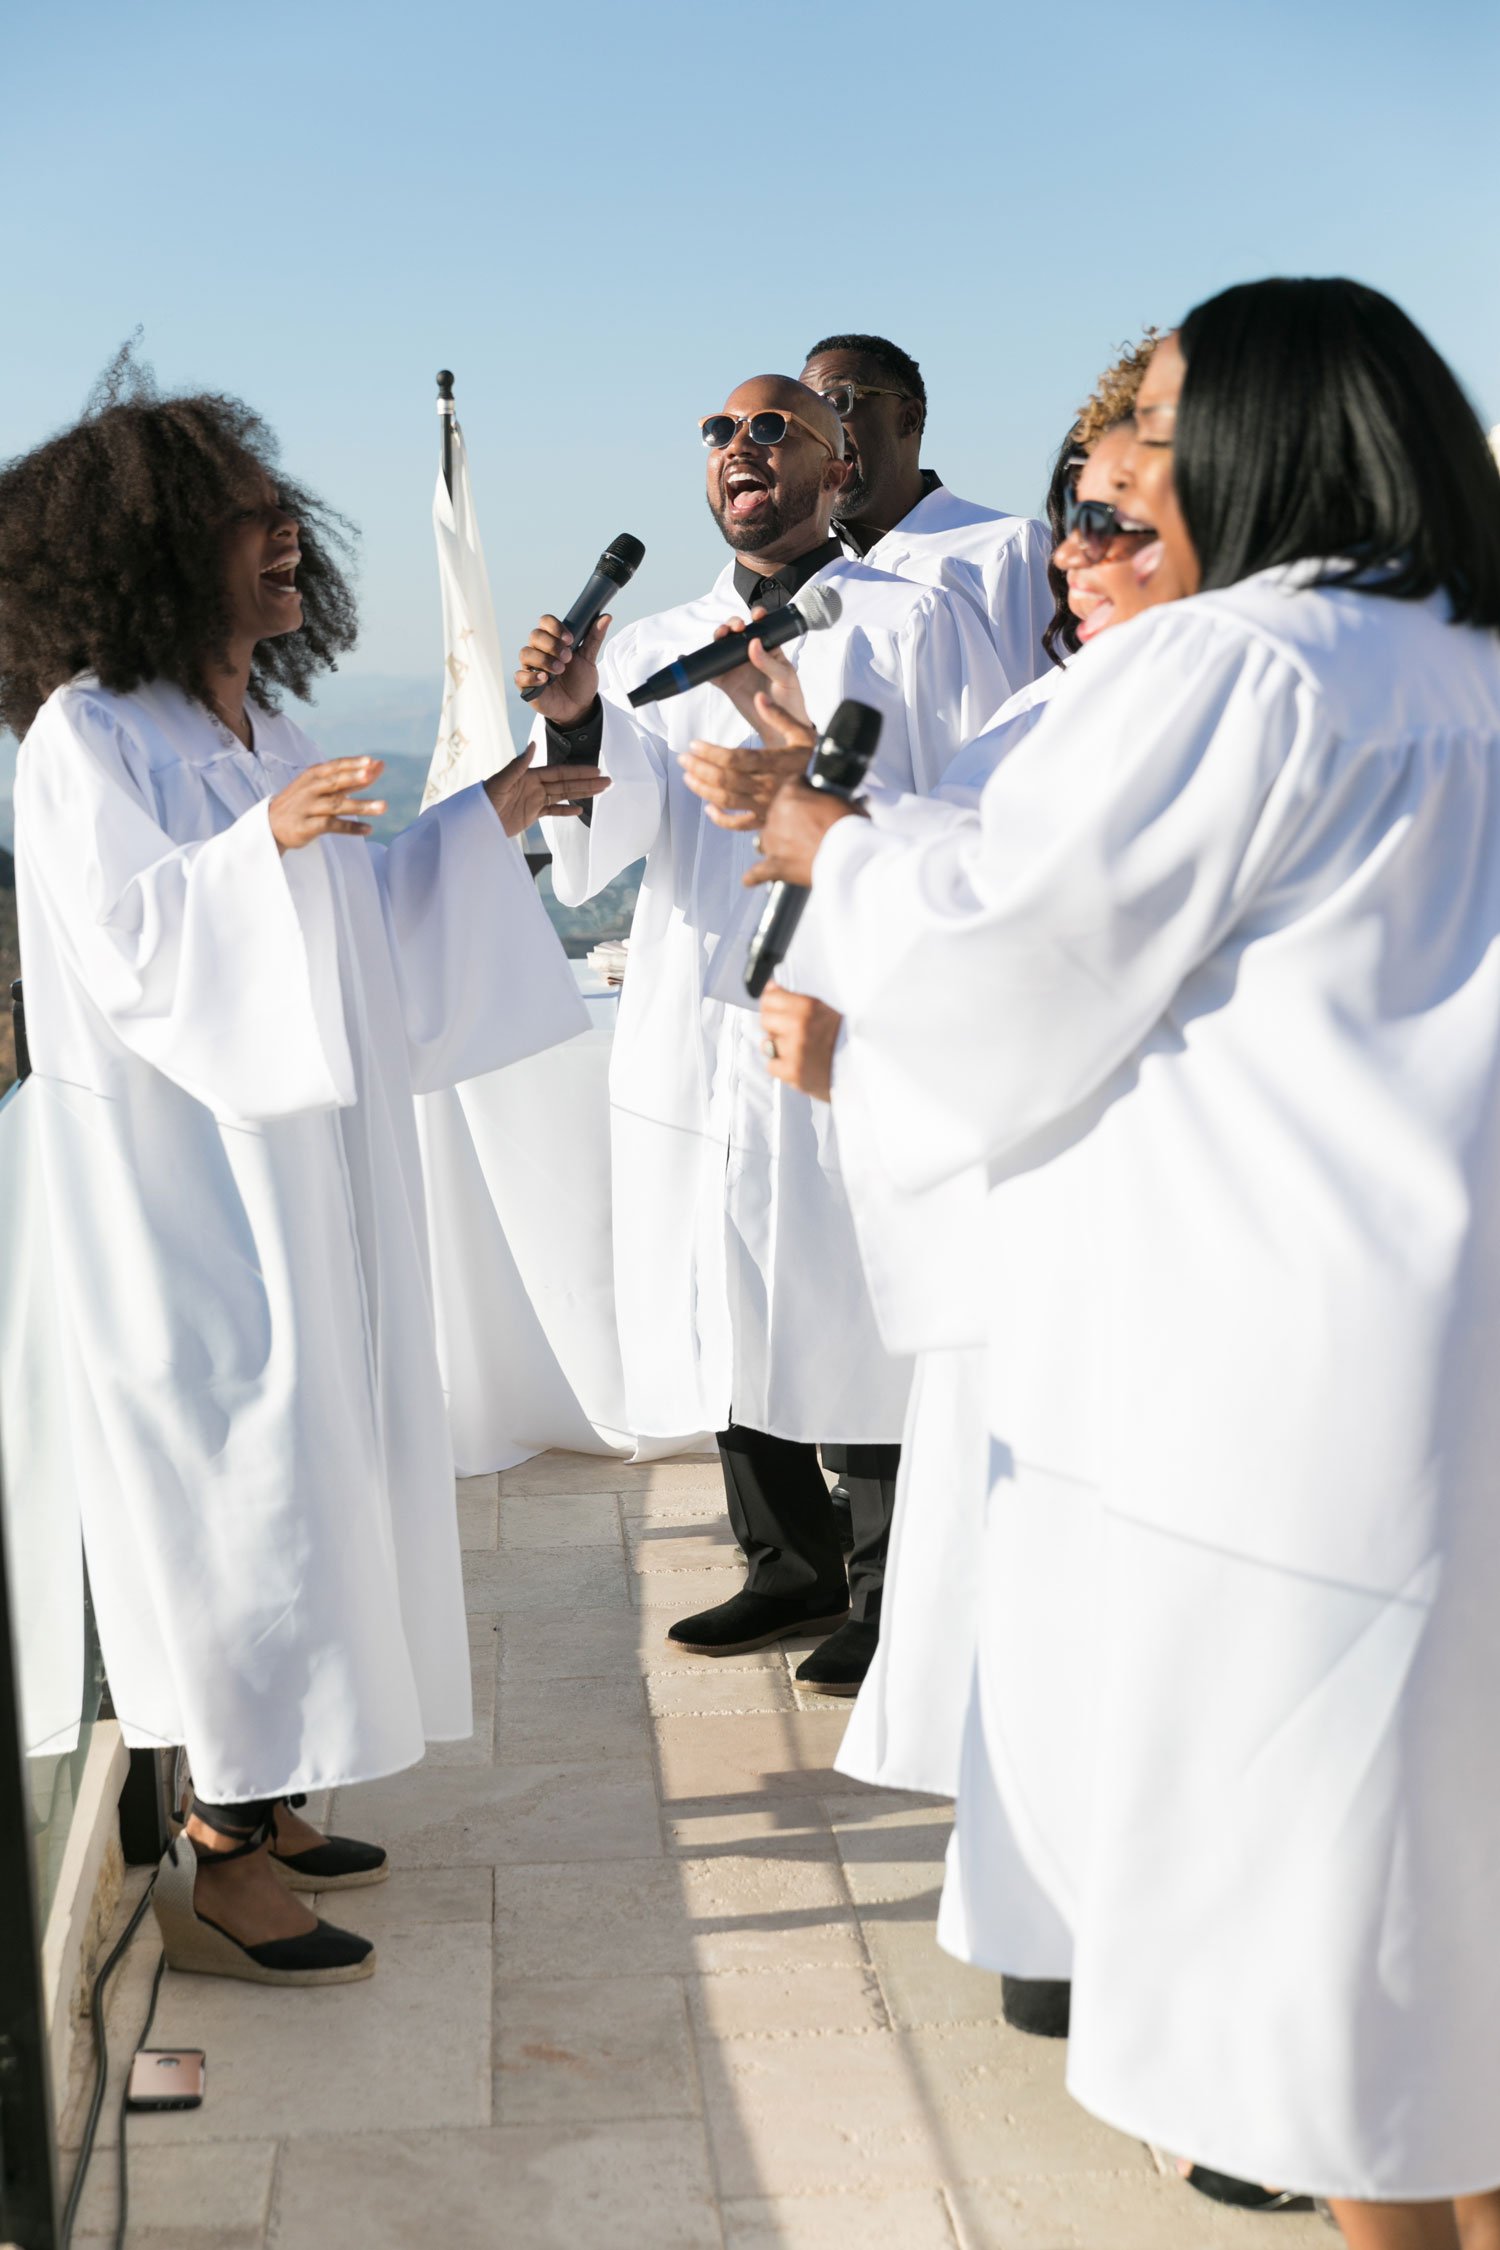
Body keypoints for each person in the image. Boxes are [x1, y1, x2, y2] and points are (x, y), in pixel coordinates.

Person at [749, 280, 1500, 2248]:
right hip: (1461, 1332)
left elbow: (1015, 958)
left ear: (1275, 433)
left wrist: (830, 842)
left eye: (1164, 420)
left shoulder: (1246, 666)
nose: (1129, 465)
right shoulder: (1467, 664)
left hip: (1282, 1388)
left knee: (1324, 1937)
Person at [2, 363, 606, 1986]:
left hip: (317, 1181)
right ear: (146, 551)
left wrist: (491, 816)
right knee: (245, 1494)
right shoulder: (87, 738)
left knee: (329, 1472)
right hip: (192, 1195)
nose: (284, 538)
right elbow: (130, 950)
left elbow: (362, 931)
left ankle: (272, 1812)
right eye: (247, 519)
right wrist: (253, 854)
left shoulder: (269, 724)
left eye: (284, 517)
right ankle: (217, 1855)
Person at [517, 373, 1008, 1691]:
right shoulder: (656, 641)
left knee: (858, 1291)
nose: (742, 445)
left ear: (840, 466)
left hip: (842, 1001)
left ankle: (894, 1583)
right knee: (730, 1289)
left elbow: (961, 804)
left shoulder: (914, 620)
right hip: (700, 1003)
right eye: (721, 432)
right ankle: (782, 1560)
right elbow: (603, 841)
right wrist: (571, 715)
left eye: (774, 426)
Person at [801, 333, 1055, 690]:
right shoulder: (805, 573)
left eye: (835, 402)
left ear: (908, 418)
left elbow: (1044, 705)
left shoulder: (1008, 549)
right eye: (805, 414)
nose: (818, 429)